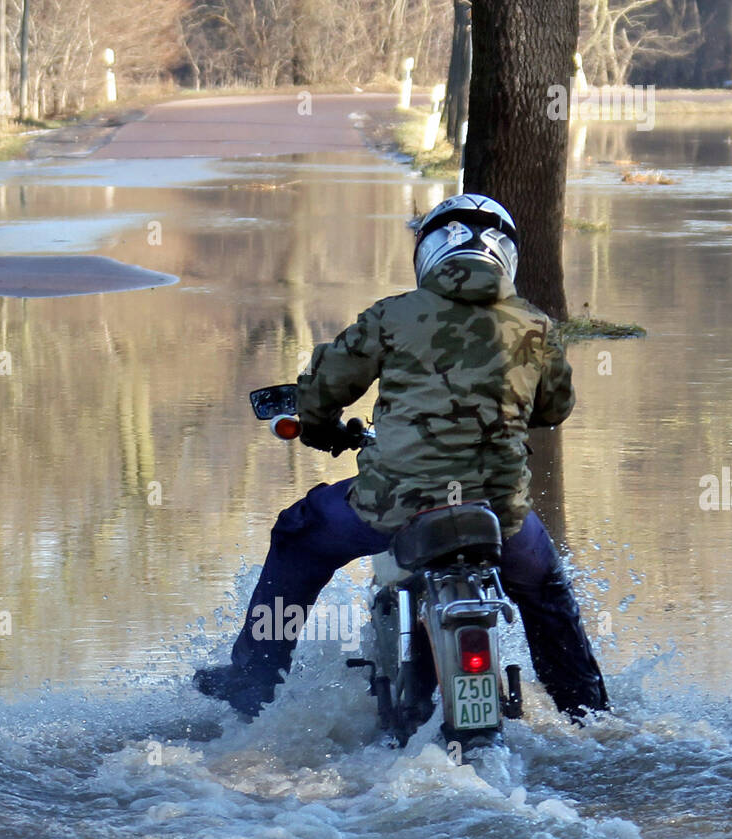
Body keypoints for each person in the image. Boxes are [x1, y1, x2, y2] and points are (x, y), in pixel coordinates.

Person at [195, 194, 609, 722]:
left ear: (429, 252)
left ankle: (249, 682)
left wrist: (321, 430)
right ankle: (589, 715)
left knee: (297, 537)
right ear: (508, 257)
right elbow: (554, 409)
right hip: (499, 514)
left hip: (392, 504)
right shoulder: (536, 326)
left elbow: (324, 390)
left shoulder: (392, 315)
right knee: (546, 592)